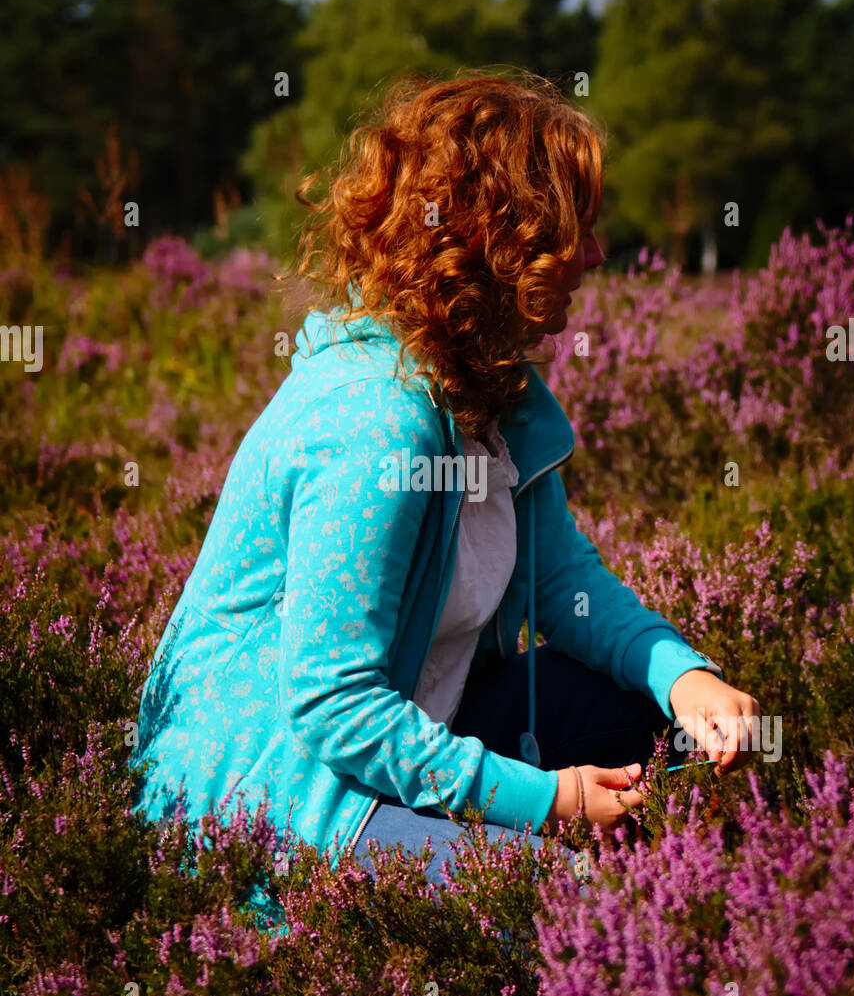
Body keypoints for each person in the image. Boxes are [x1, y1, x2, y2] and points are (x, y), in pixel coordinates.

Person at [132, 69, 761, 903]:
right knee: (558, 899)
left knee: (661, 731)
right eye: (579, 231)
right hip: (278, 795)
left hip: (416, 730)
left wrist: (688, 680)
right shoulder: (374, 423)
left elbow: (561, 581)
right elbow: (333, 706)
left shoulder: (492, 394)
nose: (599, 255)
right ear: (501, 244)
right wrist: (547, 800)